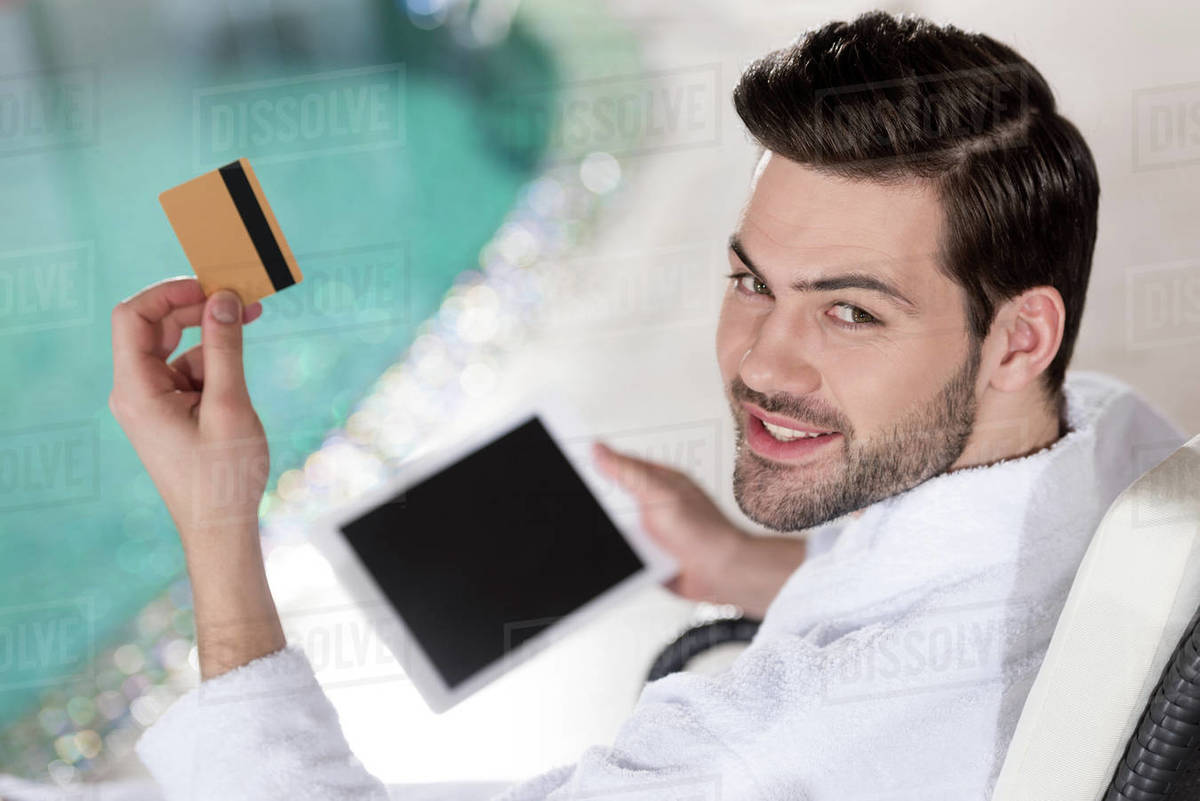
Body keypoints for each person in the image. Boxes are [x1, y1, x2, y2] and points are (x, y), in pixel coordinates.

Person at [106, 11, 1186, 801]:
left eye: (851, 311)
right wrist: (744, 565)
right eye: (752, 281)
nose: (762, 361)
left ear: (1019, 338)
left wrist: (216, 526)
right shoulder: (1113, 447)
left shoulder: (756, 754)